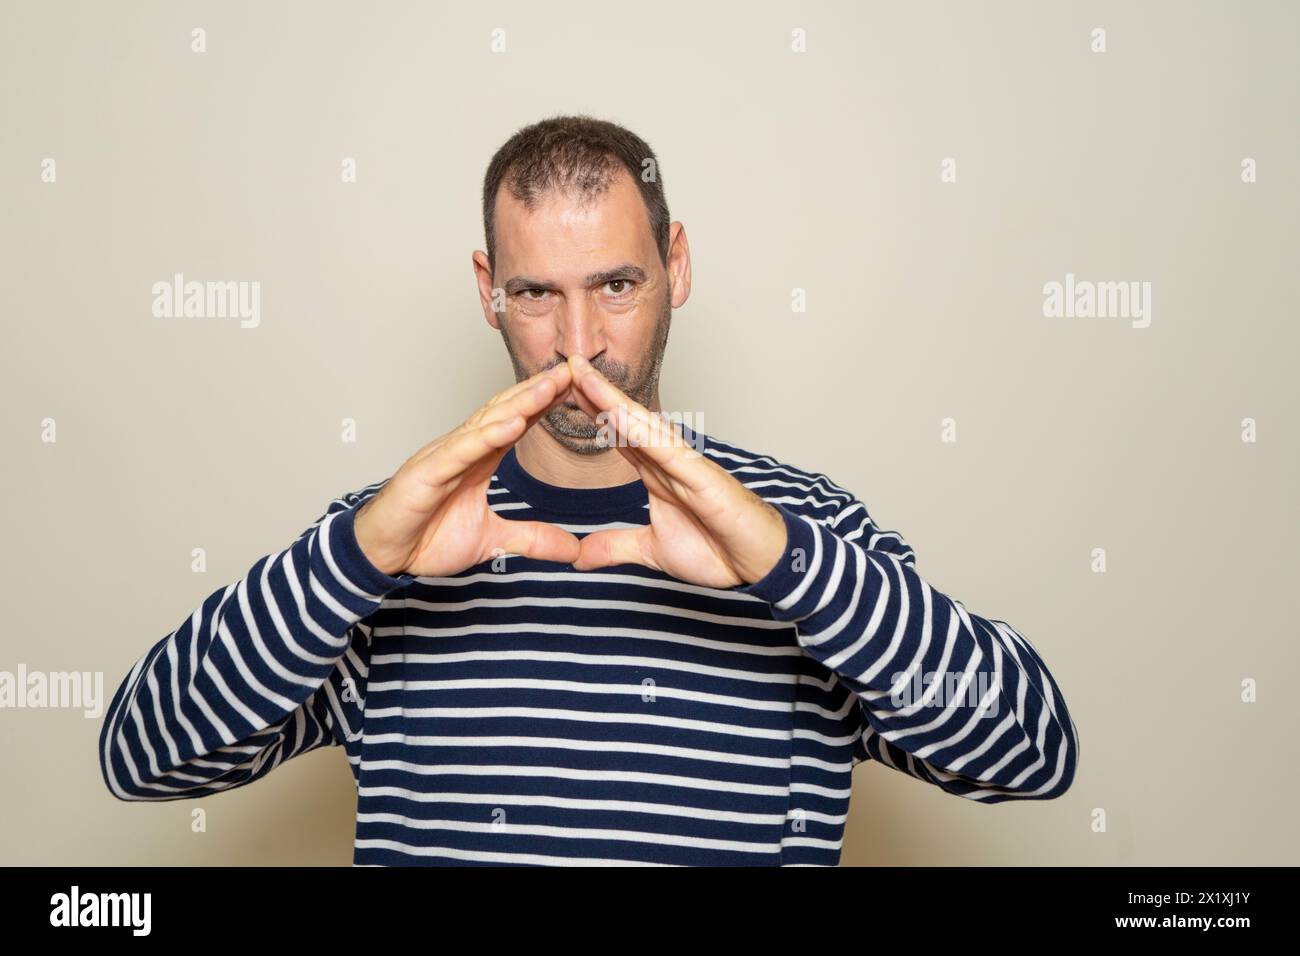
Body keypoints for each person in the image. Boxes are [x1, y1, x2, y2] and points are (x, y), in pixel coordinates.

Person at [99, 114, 1079, 866]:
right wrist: (352, 557)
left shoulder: (805, 529)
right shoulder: (386, 541)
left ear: (676, 265)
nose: (579, 343)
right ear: (487, 287)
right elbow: (146, 753)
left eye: (616, 283)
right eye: (534, 293)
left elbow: (1031, 752)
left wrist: (785, 565)